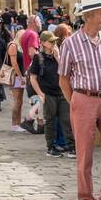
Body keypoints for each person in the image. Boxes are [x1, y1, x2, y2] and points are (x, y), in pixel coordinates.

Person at [58, 0, 101, 200]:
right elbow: (63, 80)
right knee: (84, 154)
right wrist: (76, 102)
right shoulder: (70, 44)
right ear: (89, 15)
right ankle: (86, 198)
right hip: (83, 98)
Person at [28, 30, 75, 158]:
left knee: (67, 120)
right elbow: (33, 78)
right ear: (43, 43)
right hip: (48, 93)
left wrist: (58, 58)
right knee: (50, 121)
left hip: (62, 92)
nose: (54, 43)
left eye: (55, 41)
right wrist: (40, 93)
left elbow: (66, 72)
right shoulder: (39, 57)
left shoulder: (60, 55)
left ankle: (71, 147)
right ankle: (51, 147)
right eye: (51, 41)